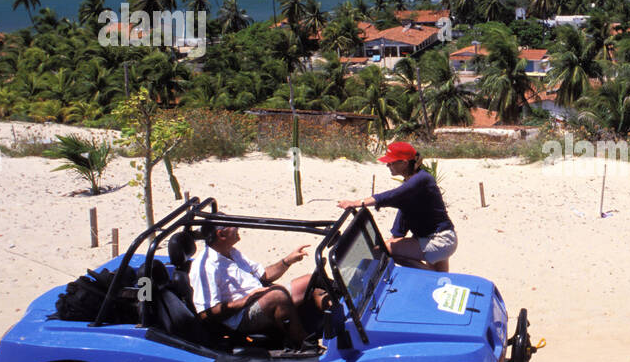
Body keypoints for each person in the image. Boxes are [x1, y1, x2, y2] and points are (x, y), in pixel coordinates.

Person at [189, 223, 328, 348]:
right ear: (221, 234)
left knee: (310, 280)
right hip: (240, 316)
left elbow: (264, 274)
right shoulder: (205, 267)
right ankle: (307, 346)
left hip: (260, 297)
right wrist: (245, 300)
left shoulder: (231, 252)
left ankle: (339, 326)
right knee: (277, 295)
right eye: (233, 226)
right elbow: (205, 314)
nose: (238, 228)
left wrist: (288, 260)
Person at [338, 141, 457, 272]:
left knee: (388, 250)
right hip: (438, 239)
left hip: (439, 240)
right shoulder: (413, 182)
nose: (387, 165)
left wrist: (356, 203)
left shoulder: (422, 180)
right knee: (443, 282)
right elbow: (404, 211)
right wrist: (395, 236)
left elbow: (393, 196)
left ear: (404, 163)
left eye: (391, 162)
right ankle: (435, 277)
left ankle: (431, 276)